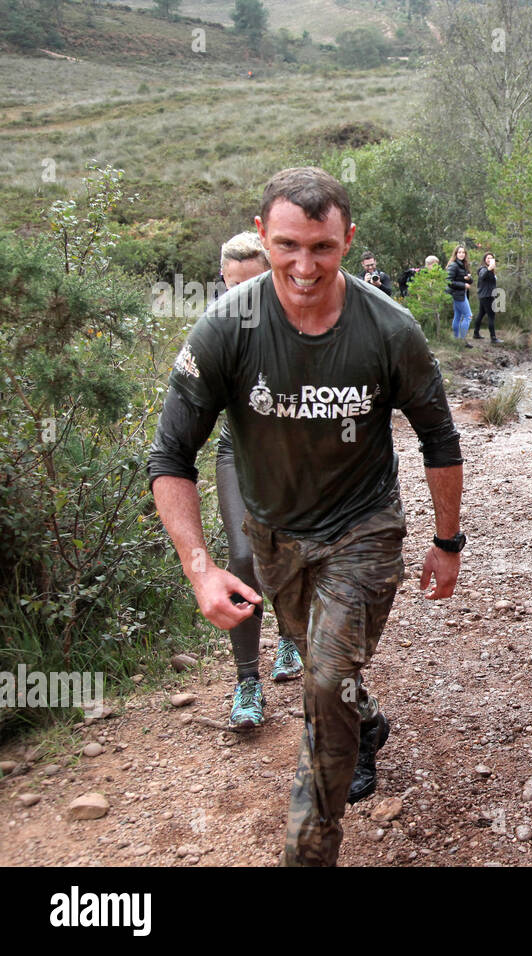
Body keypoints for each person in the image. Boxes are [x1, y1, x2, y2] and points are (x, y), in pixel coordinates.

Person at [149, 167, 466, 866]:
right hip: (274, 531)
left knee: (324, 678)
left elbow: (440, 437)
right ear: (262, 237)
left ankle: (310, 847)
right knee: (324, 660)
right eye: (287, 245)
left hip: (364, 527)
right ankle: (367, 720)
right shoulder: (228, 327)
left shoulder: (389, 329)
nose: (303, 265)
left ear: (348, 240)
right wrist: (199, 568)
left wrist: (448, 540)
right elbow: (170, 455)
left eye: (322, 248)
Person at [212, 233, 303, 731]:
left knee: (284, 555)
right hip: (237, 453)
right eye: (231, 287)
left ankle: (290, 637)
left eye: (252, 285)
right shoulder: (216, 327)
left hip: (292, 457)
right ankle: (247, 684)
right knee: (244, 556)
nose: (240, 297)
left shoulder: (295, 320)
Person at [446, 245, 474, 345]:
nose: (461, 254)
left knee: (458, 316)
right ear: (456, 254)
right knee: (468, 316)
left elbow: (470, 281)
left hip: (463, 293)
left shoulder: (464, 265)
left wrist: (468, 279)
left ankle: (456, 339)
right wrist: (463, 285)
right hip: (457, 294)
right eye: (459, 252)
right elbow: (448, 281)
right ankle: (462, 340)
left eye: (463, 252)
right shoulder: (454, 265)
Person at [473, 252, 500, 343]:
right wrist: (489, 268)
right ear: (484, 259)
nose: (489, 260)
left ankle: (476, 333)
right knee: (491, 316)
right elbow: (482, 276)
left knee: (481, 314)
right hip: (487, 296)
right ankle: (493, 338)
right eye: (488, 258)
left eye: (491, 258)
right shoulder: (483, 269)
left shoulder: (491, 271)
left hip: (485, 295)